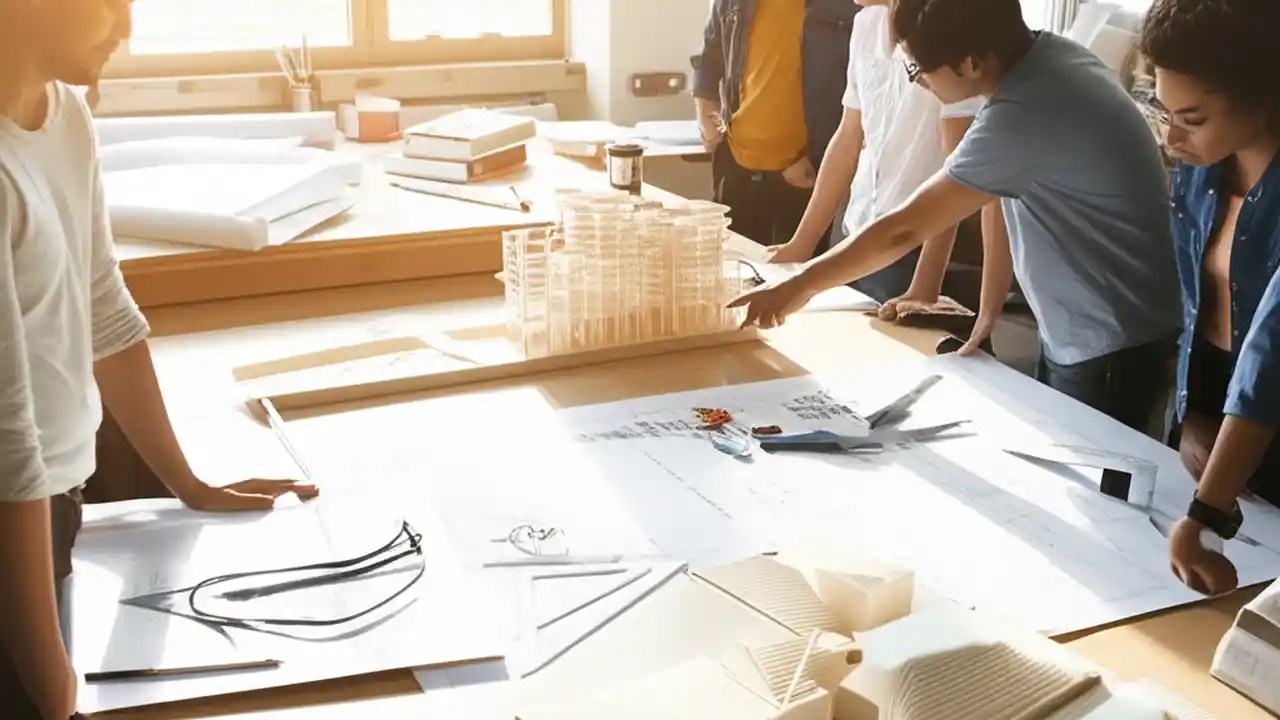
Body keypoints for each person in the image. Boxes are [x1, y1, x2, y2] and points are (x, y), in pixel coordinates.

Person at [0, 3, 317, 719]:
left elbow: (104, 310)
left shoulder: (66, 116)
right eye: (107, 5)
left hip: (50, 500)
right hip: (12, 517)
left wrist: (189, 483)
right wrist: (47, 682)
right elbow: (6, 437)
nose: (126, 29)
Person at [729, 0, 1182, 438]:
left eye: (918, 70)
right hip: (1092, 328)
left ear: (968, 64)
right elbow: (1006, 206)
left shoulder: (1027, 110)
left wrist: (798, 285)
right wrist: (989, 310)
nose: (919, 81)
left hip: (1111, 342)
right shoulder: (1051, 62)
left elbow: (907, 227)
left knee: (1099, 492)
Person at [1139, 0, 1280, 596]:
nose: (1172, 138)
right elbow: (1200, 306)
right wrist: (1194, 414)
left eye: (1191, 118)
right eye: (1162, 109)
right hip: (1229, 419)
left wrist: (1207, 510)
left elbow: (1272, 349)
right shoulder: (1202, 168)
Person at [766, 0, 1000, 314]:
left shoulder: (945, 29)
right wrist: (802, 244)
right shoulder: (865, 24)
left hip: (915, 248)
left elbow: (957, 171)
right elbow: (848, 136)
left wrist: (926, 285)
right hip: (857, 237)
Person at [692, 0, 857, 247]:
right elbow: (710, 56)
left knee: (798, 278)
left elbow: (863, 88)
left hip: (807, 172)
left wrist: (815, 158)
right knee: (734, 272)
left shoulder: (850, 6)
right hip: (736, 167)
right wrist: (707, 115)